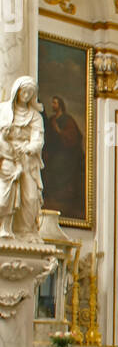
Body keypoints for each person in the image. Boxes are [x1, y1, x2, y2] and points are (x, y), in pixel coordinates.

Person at [0, 77, 44, 236]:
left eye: (30, 93)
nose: (26, 95)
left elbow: (38, 140)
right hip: (6, 157)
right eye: (23, 91)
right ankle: (4, 228)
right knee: (5, 195)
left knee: (31, 197)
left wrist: (27, 148)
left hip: (27, 159)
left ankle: (25, 232)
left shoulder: (35, 116)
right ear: (17, 91)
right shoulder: (3, 110)